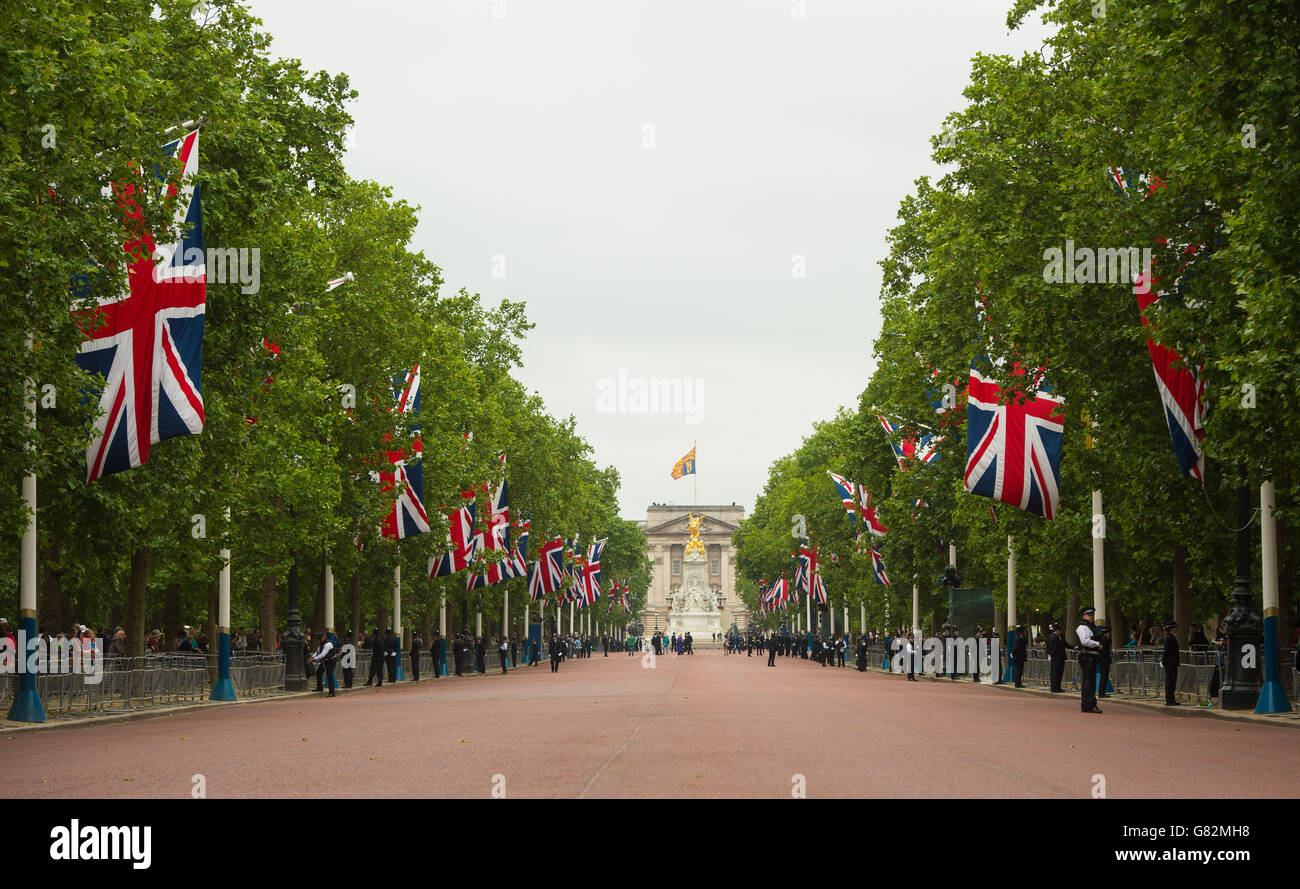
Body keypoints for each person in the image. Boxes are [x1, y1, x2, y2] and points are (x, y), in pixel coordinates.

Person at [1076, 608, 1103, 713]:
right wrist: (1097, 644)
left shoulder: (1089, 627)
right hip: (1087, 656)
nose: (1092, 617)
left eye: (1092, 615)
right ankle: (1089, 704)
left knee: (1089, 681)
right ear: (1085, 615)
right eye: (1090, 615)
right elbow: (1084, 641)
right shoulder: (1083, 627)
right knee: (1089, 682)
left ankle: (1088, 704)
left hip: (1090, 656)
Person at [1162, 621, 1181, 705]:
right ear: (1172, 628)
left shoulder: (1170, 637)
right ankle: (1169, 700)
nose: (1176, 629)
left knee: (1171, 682)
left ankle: (1171, 699)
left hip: (1171, 663)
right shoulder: (1170, 638)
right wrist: (1164, 662)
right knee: (1170, 682)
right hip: (1170, 663)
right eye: (1175, 627)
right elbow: (1166, 651)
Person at [1046, 624, 1067, 692]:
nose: (1060, 631)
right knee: (1054, 673)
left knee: (1060, 673)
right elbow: (1050, 647)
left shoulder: (1061, 636)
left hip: (1061, 657)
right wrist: (1049, 655)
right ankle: (1053, 688)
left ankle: (1058, 687)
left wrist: (1073, 647)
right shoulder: (1052, 637)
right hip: (1055, 657)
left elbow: (1065, 644)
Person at [1096, 625, 1113, 698]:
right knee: (1104, 676)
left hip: (1102, 659)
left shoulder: (1101, 639)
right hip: (1104, 660)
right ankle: (1101, 692)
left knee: (1104, 676)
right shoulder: (1105, 639)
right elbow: (1105, 651)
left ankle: (1102, 692)